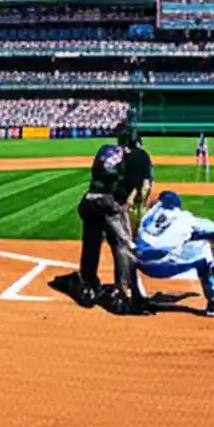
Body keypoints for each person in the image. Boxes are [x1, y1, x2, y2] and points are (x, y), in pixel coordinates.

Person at [49, 127, 150, 314]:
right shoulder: (140, 155)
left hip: (88, 201)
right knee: (122, 246)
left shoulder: (106, 150)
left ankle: (88, 284)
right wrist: (133, 208)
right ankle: (122, 290)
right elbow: (143, 187)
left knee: (91, 242)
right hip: (110, 203)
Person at [134, 191, 214, 318]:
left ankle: (136, 297)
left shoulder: (147, 216)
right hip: (164, 265)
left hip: (142, 264)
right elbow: (212, 229)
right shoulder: (183, 217)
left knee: (129, 248)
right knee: (206, 249)